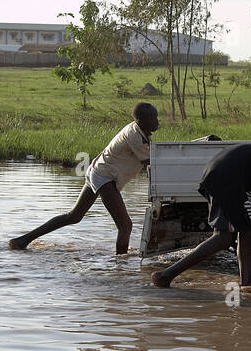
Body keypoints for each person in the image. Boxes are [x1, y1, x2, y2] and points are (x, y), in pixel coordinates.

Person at [9, 103, 160, 254]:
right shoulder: (135, 136)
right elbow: (150, 161)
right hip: (104, 176)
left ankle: (21, 241)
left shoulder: (140, 132)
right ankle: (120, 266)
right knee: (125, 226)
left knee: (74, 216)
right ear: (141, 121)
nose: (157, 121)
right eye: (153, 118)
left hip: (99, 172)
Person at [150, 144, 251, 288]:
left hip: (214, 172)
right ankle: (166, 275)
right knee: (223, 238)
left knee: (246, 230)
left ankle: (245, 286)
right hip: (228, 179)